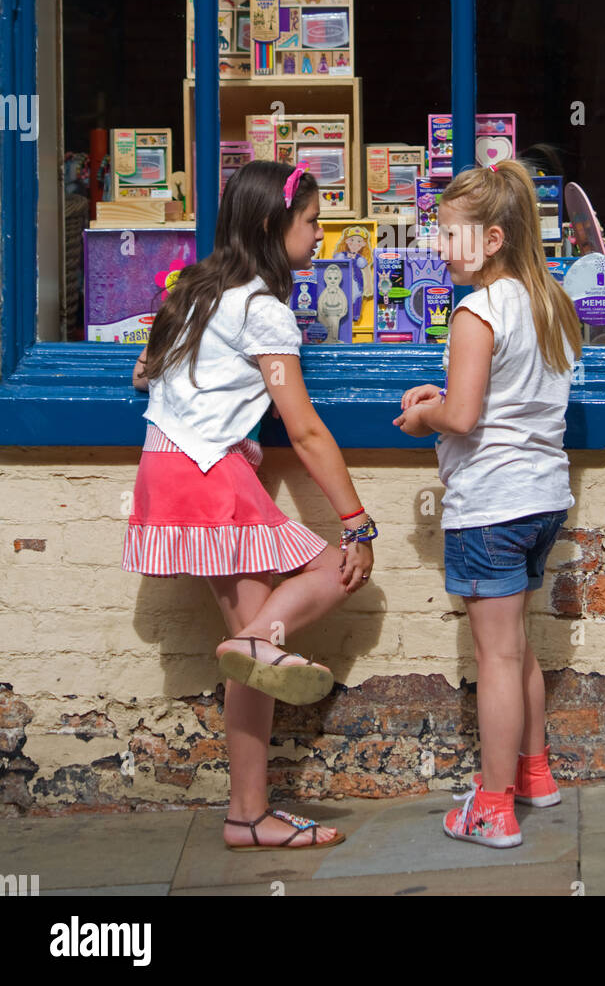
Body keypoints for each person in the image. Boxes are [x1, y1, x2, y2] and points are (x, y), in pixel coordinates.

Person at [124, 160, 377, 851]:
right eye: (313, 223)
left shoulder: (198, 291)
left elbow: (146, 369)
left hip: (168, 474)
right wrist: (357, 520)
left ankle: (247, 816)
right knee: (339, 568)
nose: (322, 236)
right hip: (211, 479)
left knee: (254, 660)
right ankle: (250, 811)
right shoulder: (263, 309)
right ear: (273, 225)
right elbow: (303, 428)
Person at [393, 158, 581, 849]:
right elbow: (508, 402)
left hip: (492, 501)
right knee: (517, 646)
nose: (438, 246)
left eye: (449, 233)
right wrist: (441, 401)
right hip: (541, 499)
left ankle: (493, 808)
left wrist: (425, 415)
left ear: (494, 239)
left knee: (496, 658)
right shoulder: (546, 301)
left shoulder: (477, 311)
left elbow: (466, 417)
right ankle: (535, 774)